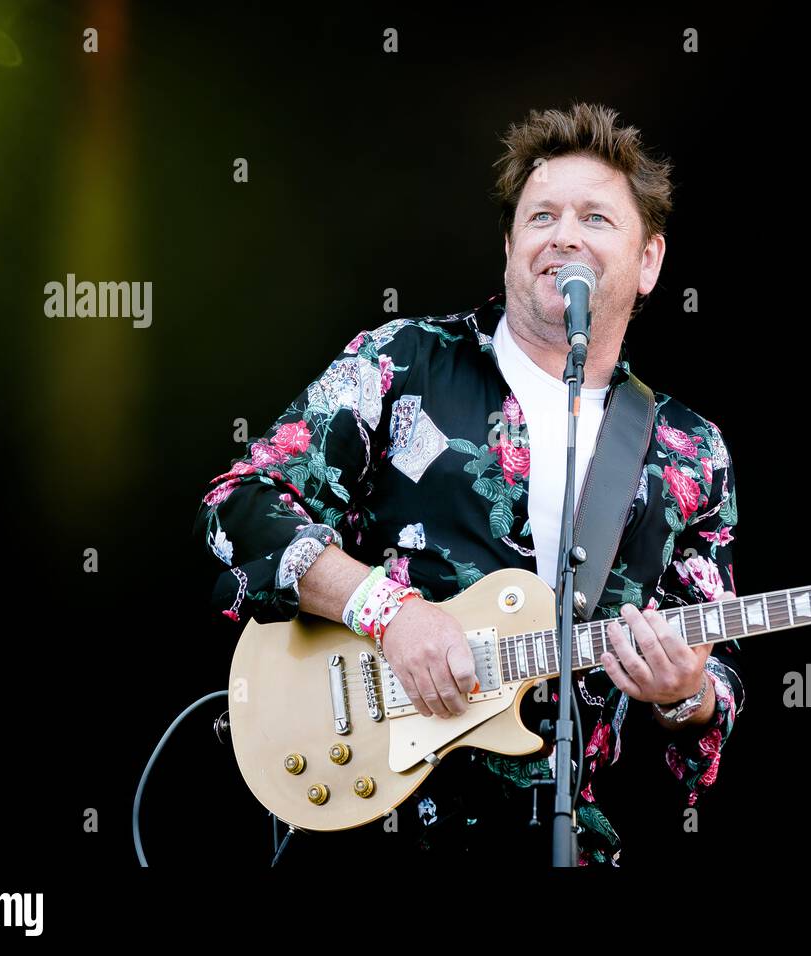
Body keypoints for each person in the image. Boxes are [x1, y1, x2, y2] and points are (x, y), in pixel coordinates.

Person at [193, 102, 745, 866]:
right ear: (512, 247)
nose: (564, 236)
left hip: (566, 838)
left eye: (595, 217)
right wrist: (388, 613)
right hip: (378, 826)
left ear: (649, 260)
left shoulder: (690, 451)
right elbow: (241, 505)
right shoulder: (405, 361)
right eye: (541, 216)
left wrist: (688, 693)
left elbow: (713, 669)